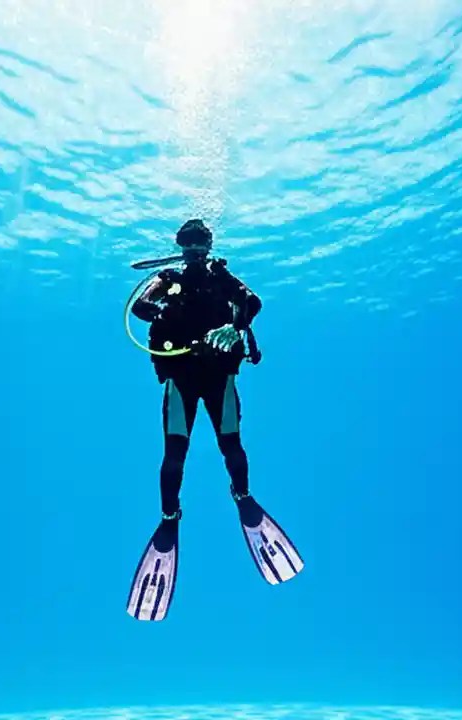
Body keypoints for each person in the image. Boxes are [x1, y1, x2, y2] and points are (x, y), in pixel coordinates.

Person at [125, 219, 304, 622]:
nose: (193, 249)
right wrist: (164, 306)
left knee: (231, 447)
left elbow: (253, 302)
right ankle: (170, 516)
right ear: (179, 245)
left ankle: (242, 496)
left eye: (199, 241)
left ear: (208, 244)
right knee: (175, 455)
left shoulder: (222, 277)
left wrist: (234, 326)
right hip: (181, 376)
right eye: (187, 242)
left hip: (217, 374)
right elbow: (138, 307)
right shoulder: (166, 278)